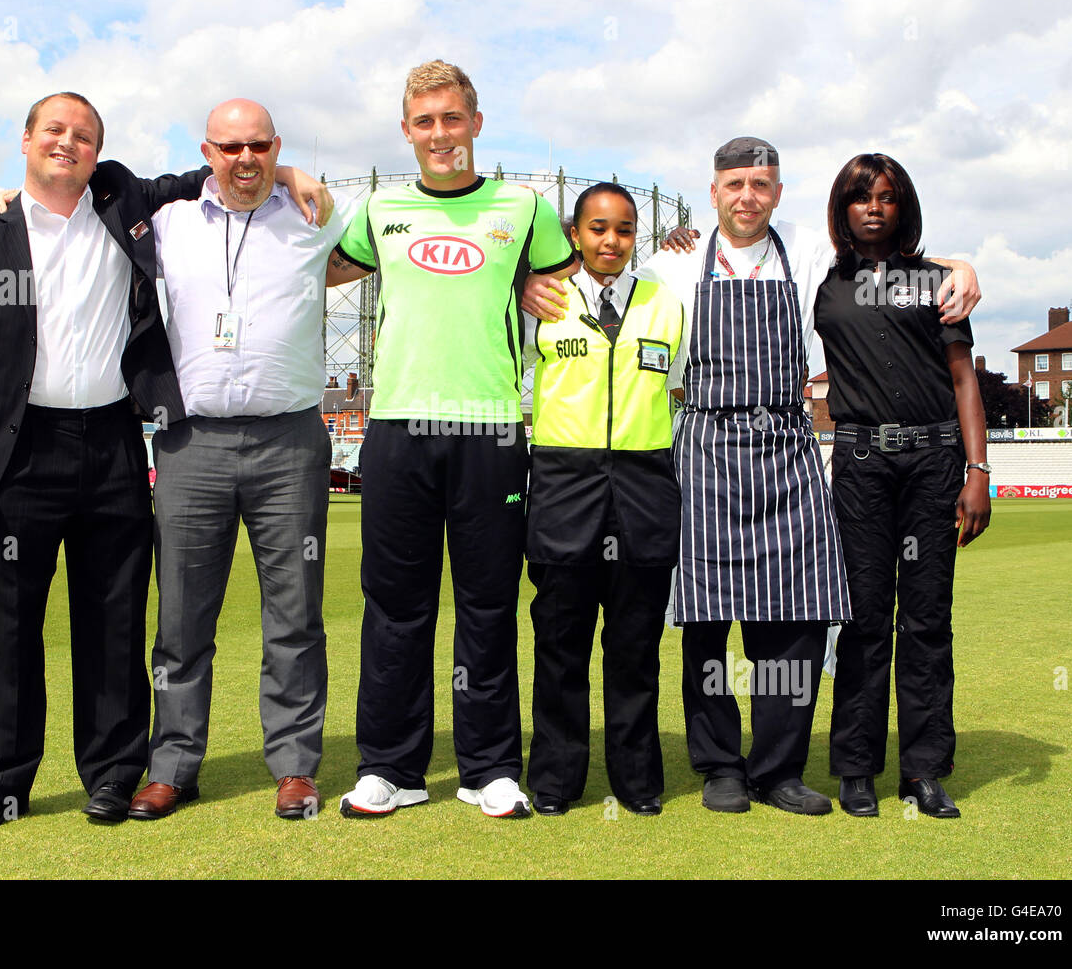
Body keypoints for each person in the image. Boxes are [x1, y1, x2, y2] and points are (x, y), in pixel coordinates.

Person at [525, 136, 981, 817]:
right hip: (705, 440)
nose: (747, 197)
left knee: (792, 620)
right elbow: (598, 279)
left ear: (778, 192)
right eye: (735, 184)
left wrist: (961, 264)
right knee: (708, 619)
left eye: (761, 184)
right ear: (714, 192)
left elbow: (890, 255)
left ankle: (779, 769)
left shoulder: (809, 249)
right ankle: (720, 766)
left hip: (787, 441)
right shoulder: (671, 263)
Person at [0, 92, 328, 836]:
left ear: (99, 153)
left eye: (84, 136)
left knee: (115, 622)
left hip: (117, 442)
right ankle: (1, 784)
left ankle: (115, 774)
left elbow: (230, 168)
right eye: (55, 132)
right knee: (13, 625)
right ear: (25, 140)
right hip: (22, 454)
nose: (69, 145)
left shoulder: (126, 205)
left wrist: (289, 171)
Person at [325, 60, 575, 819]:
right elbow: (308, 270)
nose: (440, 133)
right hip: (397, 426)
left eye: (452, 117)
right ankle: (391, 767)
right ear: (407, 131)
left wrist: (539, 283)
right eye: (424, 121)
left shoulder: (524, 207)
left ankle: (490, 766)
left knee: (488, 603)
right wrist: (293, 202)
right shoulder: (379, 209)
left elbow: (581, 279)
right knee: (395, 605)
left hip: (490, 429)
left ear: (476, 122)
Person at [127, 98, 348, 822]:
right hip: (192, 443)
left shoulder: (314, 216)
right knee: (183, 618)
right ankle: (173, 764)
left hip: (290, 439)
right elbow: (86, 195)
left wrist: (292, 174)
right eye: (231, 146)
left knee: (294, 614)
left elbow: (399, 243)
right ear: (207, 150)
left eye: (260, 146)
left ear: (275, 145)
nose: (245, 158)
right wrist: (4, 200)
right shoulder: (168, 220)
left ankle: (293, 764)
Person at [818, 153, 989, 818]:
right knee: (862, 620)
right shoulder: (823, 279)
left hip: (933, 465)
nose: (873, 208)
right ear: (843, 207)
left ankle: (922, 769)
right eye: (861, 197)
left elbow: (963, 378)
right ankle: (856, 766)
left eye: (886, 197)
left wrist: (977, 471)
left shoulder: (936, 284)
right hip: (859, 465)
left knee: (926, 620)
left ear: (902, 206)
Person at [522, 183, 685, 817]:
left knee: (635, 645)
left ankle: (638, 779)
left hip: (644, 490)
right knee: (559, 641)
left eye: (623, 229)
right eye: (597, 228)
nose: (610, 241)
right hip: (565, 487)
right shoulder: (543, 300)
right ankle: (556, 780)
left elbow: (683, 384)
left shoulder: (667, 303)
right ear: (575, 234)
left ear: (636, 235)